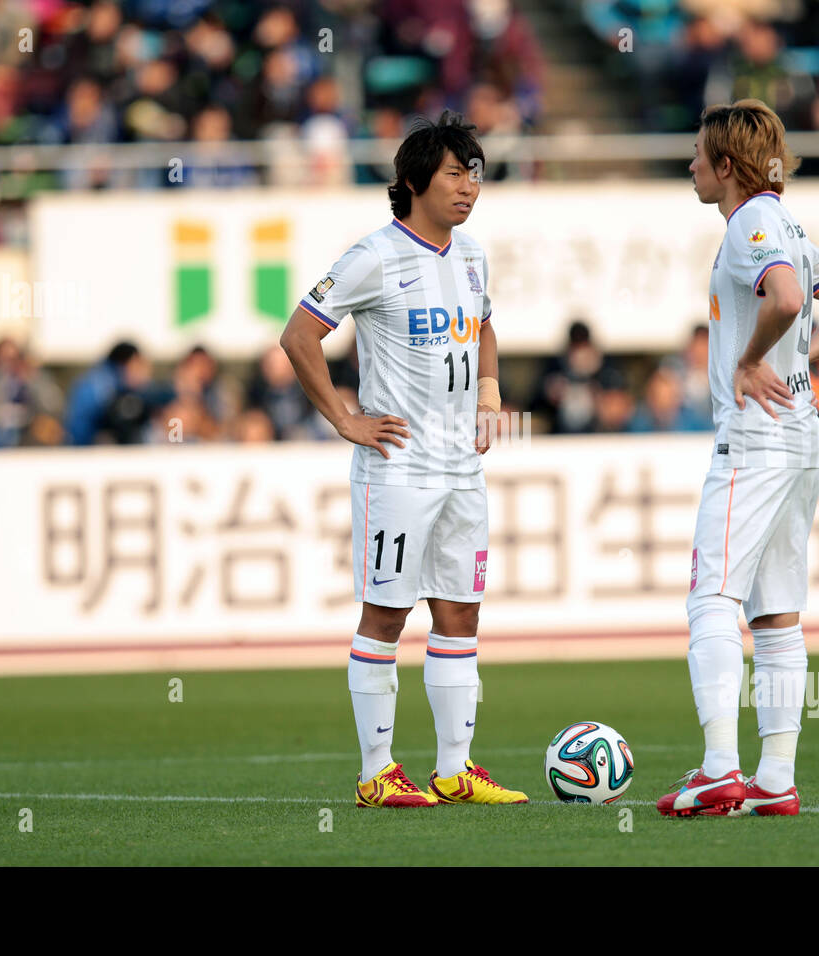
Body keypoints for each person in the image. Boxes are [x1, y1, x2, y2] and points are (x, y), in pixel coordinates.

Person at [279, 111, 526, 809]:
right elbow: (299, 335)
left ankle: (454, 769)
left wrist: (490, 395)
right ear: (415, 179)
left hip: (460, 468)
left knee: (459, 613)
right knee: (387, 614)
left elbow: (484, 327)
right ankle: (375, 773)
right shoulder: (374, 256)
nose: (469, 187)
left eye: (475, 175)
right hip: (398, 467)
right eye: (455, 173)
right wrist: (343, 418)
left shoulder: (472, 253)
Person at [660, 99, 819, 819]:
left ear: (726, 165)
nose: (690, 164)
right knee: (776, 613)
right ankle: (775, 779)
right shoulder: (788, 221)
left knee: (712, 596)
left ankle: (720, 768)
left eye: (698, 154)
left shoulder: (751, 220)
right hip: (800, 435)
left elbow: (785, 297)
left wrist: (754, 359)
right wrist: (798, 358)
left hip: (753, 439)